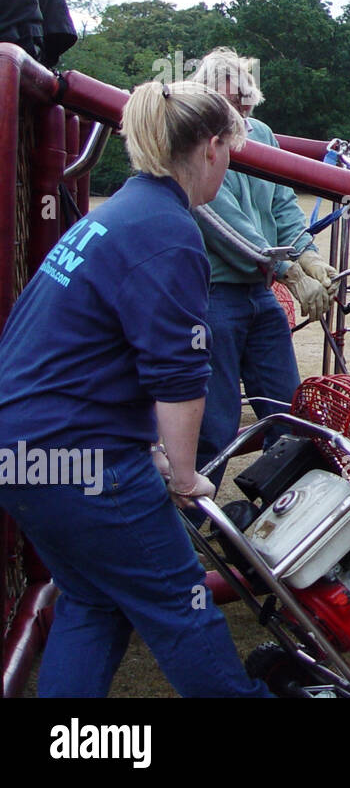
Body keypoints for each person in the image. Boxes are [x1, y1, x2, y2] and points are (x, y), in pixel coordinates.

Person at [0, 80, 272, 697]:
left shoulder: (116, 214)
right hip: (84, 459)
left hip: (22, 454)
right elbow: (178, 376)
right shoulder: (167, 232)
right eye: (230, 149)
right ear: (210, 148)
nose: (228, 165)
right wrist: (182, 473)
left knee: (92, 602)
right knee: (182, 605)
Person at [188, 48, 337, 474]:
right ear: (207, 95)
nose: (242, 110)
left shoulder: (261, 134)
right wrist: (290, 272)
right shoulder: (198, 140)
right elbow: (224, 221)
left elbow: (284, 205)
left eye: (246, 102)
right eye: (233, 101)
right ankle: (192, 526)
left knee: (289, 415)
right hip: (214, 296)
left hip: (259, 292)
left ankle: (283, 514)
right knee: (213, 426)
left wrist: (309, 257)